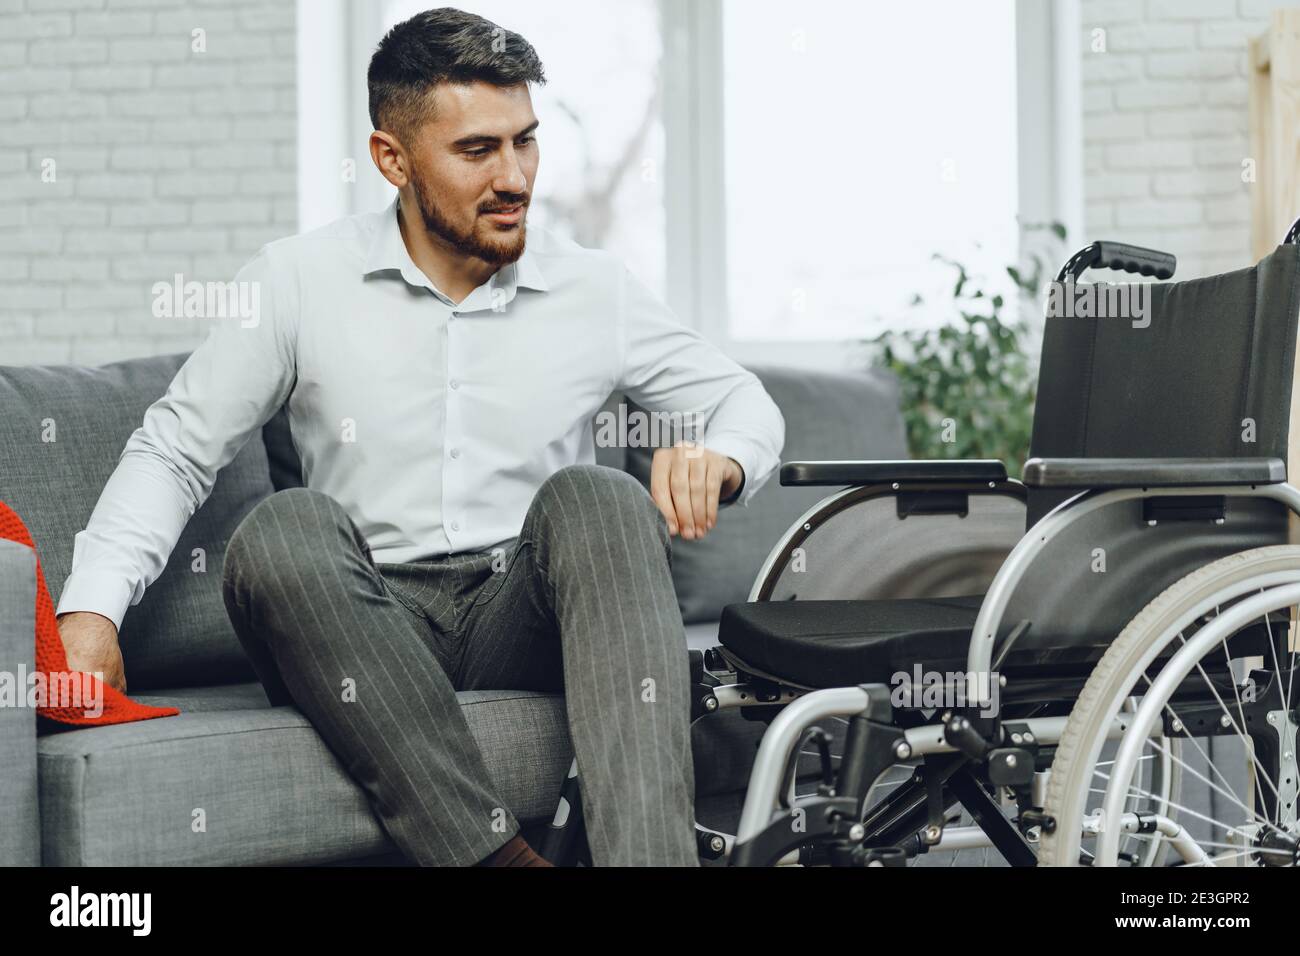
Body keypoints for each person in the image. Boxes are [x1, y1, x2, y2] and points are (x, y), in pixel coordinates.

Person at [55, 6, 784, 867]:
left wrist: (721, 457)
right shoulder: (297, 280)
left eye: (526, 141)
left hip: (521, 612)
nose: (515, 175)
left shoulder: (596, 289)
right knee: (284, 530)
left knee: (600, 496)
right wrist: (90, 611)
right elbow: (174, 450)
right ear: (391, 159)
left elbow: (745, 403)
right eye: (478, 151)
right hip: (361, 619)